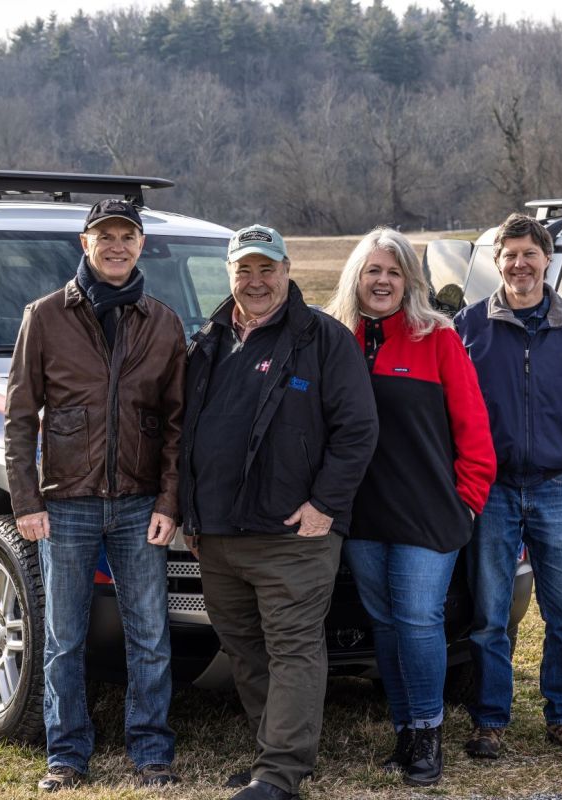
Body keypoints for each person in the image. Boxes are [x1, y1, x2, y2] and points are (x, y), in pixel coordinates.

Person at [180, 224, 378, 800]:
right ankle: (272, 754)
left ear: (287, 271)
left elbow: (358, 430)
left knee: (292, 648)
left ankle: (279, 774)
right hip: (217, 535)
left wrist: (325, 505)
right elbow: (188, 434)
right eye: (245, 269)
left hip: (294, 535)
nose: (256, 280)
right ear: (230, 274)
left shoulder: (323, 339)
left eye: (268, 268)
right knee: (244, 648)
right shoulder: (211, 340)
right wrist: (194, 515)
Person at [4, 198, 186, 792]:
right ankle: (67, 754)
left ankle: (151, 749)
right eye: (104, 235)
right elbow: (19, 416)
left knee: (150, 634)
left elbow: (178, 423)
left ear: (140, 245)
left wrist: (168, 502)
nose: (116, 245)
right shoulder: (46, 316)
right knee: (63, 638)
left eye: (127, 236)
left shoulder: (162, 322)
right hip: (67, 503)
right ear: (85, 244)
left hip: (139, 506)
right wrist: (27, 501)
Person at [323, 228, 496, 786]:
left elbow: (474, 430)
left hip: (427, 512)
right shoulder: (334, 340)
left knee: (420, 620)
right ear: (357, 277)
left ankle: (427, 732)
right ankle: (404, 730)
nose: (383, 281)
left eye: (394, 272)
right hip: (362, 514)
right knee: (386, 623)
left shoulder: (438, 338)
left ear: (409, 282)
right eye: (373, 270)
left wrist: (468, 501)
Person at [453, 212, 562, 759]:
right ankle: (490, 720)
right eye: (509, 256)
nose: (520, 265)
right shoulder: (470, 326)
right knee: (490, 615)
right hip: (492, 489)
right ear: (496, 262)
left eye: (530, 254)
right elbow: (452, 414)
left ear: (548, 258)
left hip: (553, 485)